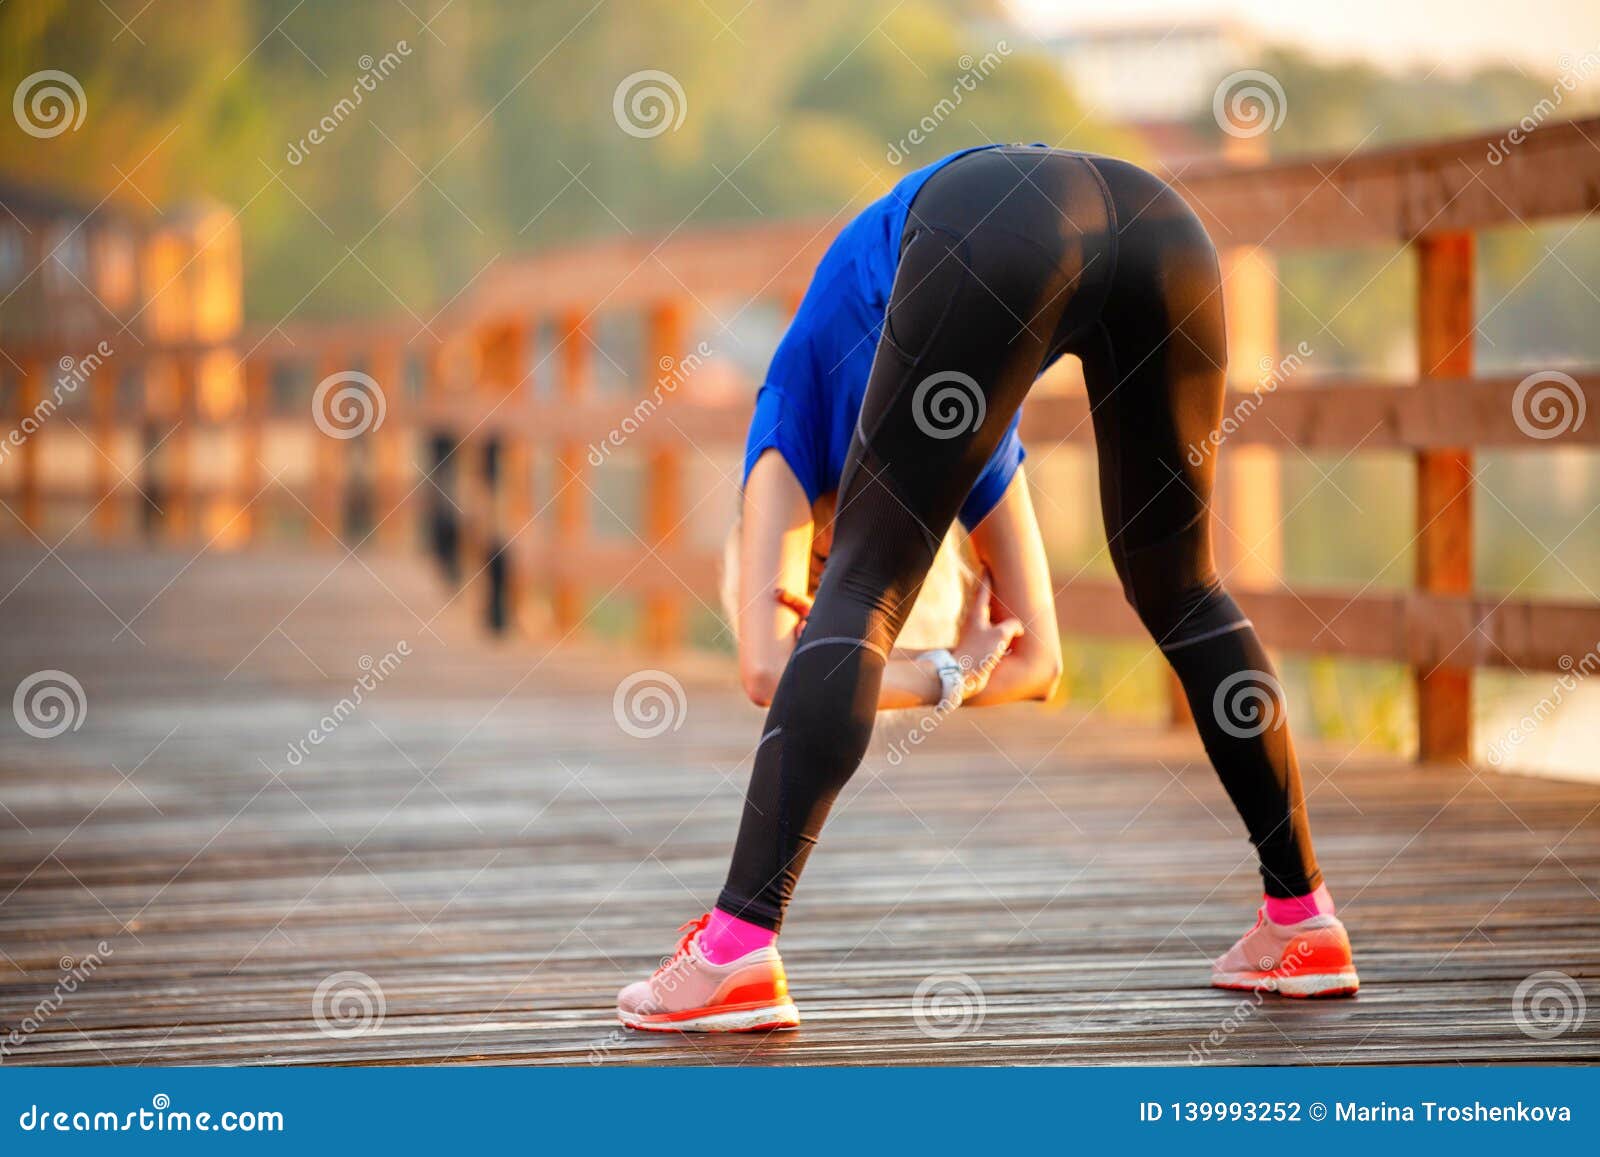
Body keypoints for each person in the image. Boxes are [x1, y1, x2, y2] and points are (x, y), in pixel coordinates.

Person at [617, 144, 1359, 1034]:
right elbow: (1041, 661)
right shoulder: (945, 423)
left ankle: (733, 951)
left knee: (867, 581)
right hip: (1156, 226)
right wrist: (951, 669)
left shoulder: (785, 429)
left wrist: (909, 661)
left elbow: (771, 672)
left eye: (798, 583)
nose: (812, 596)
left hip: (993, 226)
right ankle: (1302, 921)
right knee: (1181, 583)